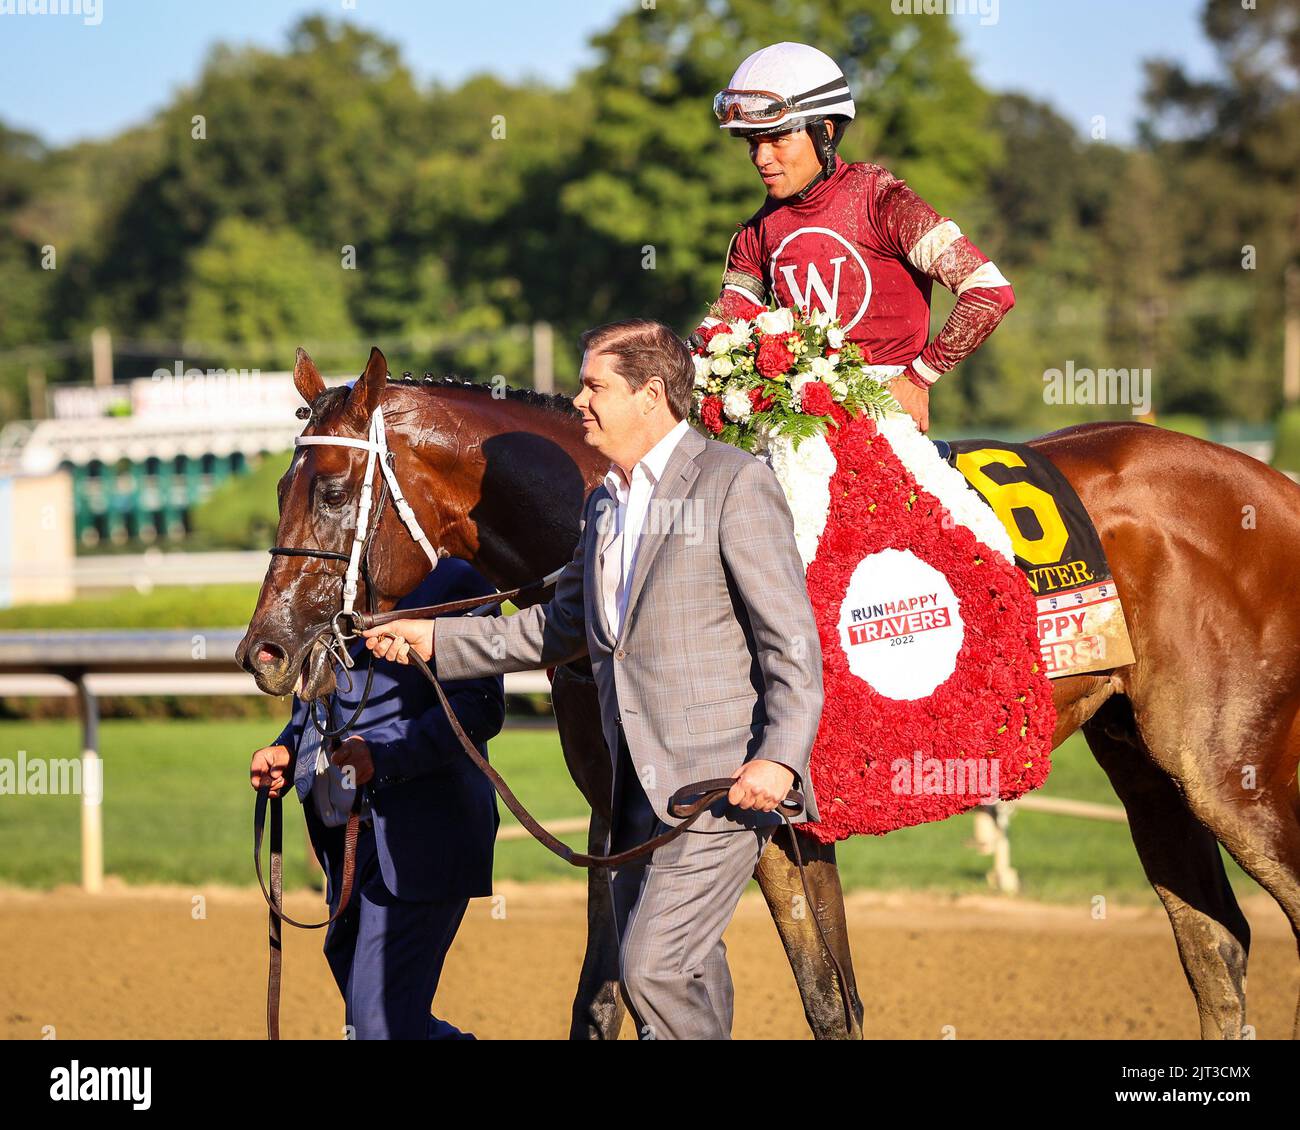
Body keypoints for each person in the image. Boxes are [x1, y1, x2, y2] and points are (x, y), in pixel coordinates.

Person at [362, 319, 823, 1040]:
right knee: (688, 969)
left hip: (723, 783)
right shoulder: (604, 502)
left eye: (595, 386)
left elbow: (790, 638)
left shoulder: (735, 482)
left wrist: (780, 756)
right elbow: (556, 629)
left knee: (652, 968)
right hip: (631, 786)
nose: (579, 402)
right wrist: (434, 638)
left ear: (651, 393)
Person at [701, 41, 1016, 433]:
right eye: (753, 142)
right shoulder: (755, 232)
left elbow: (989, 292)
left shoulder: (883, 201)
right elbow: (718, 335)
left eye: (777, 139)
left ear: (825, 132)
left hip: (887, 426)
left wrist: (920, 378)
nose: (761, 158)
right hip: (793, 430)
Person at [249, 558, 505, 1040]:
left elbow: (481, 710)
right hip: (345, 844)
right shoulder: (334, 574)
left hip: (423, 840)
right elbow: (323, 698)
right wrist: (287, 748)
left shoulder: (461, 579)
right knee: (385, 1022)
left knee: (377, 1025)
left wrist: (384, 756)